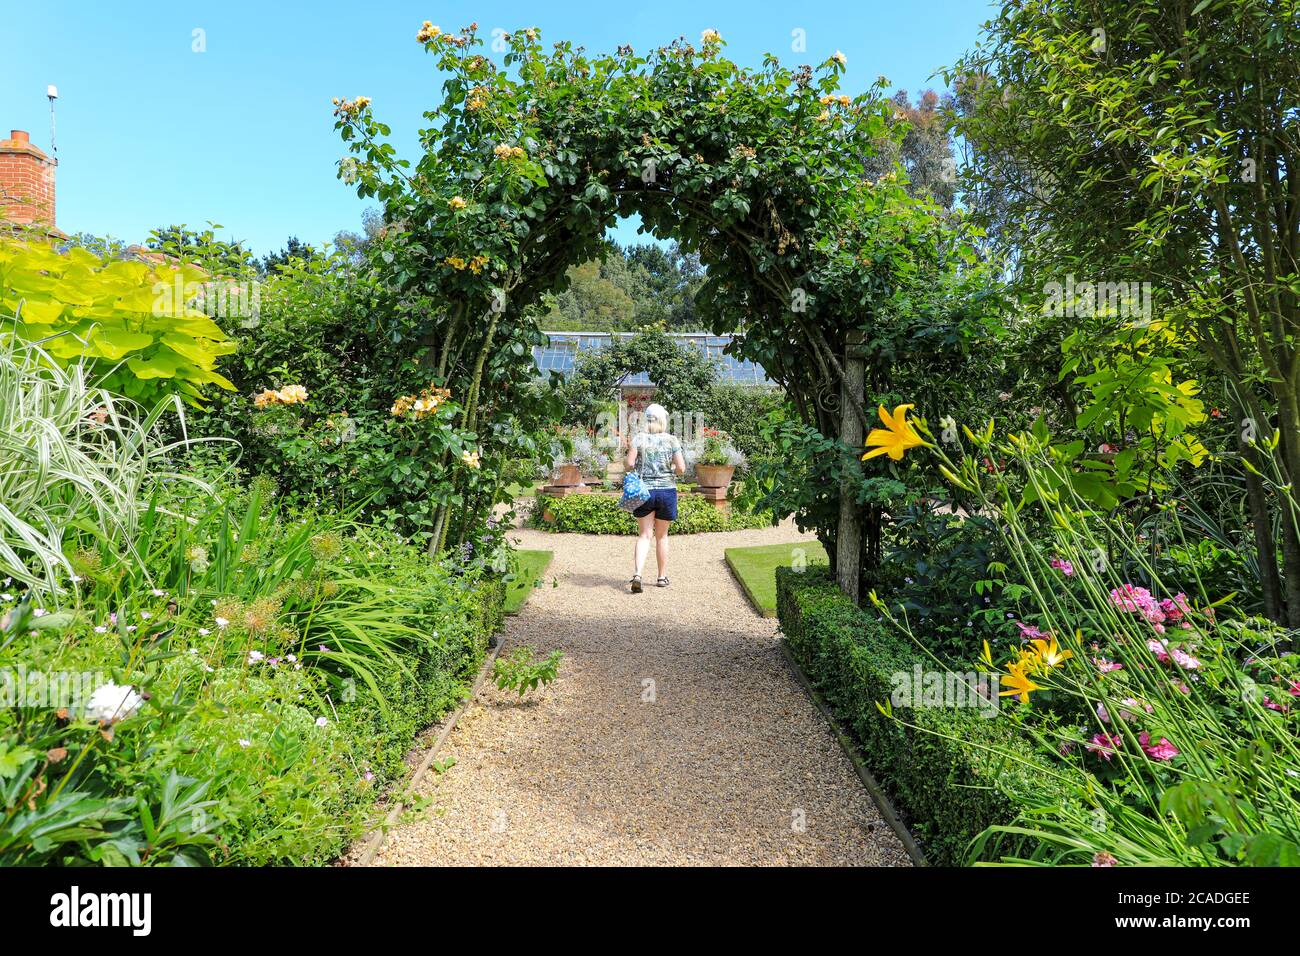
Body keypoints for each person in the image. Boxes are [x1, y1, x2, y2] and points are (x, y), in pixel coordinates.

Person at [625, 403, 685, 593]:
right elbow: (682, 469)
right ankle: (661, 577)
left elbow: (629, 464)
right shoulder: (672, 440)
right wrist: (672, 469)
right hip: (667, 491)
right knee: (662, 536)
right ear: (663, 420)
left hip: (644, 492)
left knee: (644, 535)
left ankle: (638, 574)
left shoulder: (638, 439)